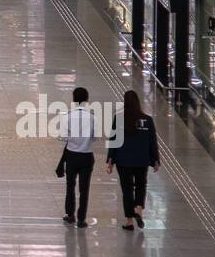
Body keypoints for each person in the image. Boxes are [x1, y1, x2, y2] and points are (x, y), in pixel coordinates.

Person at [106, 89, 160, 230]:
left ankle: (129, 221)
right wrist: (155, 159)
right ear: (137, 102)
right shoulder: (147, 120)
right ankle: (139, 210)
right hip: (142, 159)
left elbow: (113, 140)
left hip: (123, 160)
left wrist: (110, 159)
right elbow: (152, 141)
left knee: (127, 189)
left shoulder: (119, 119)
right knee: (141, 185)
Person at [57, 87, 97, 228]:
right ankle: (81, 218)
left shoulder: (67, 117)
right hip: (87, 156)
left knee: (70, 185)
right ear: (86, 99)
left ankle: (70, 214)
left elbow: (63, 137)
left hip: (72, 155)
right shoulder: (92, 117)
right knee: (84, 188)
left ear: (74, 99)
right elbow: (94, 137)